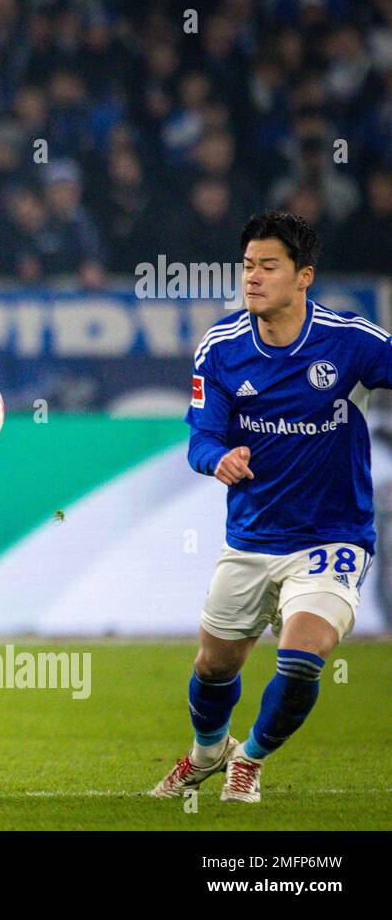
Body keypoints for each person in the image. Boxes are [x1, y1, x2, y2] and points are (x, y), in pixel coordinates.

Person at [152, 211, 388, 803]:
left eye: (268, 267)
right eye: (248, 266)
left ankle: (250, 759)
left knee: (303, 657)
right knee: (213, 667)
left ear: (303, 276)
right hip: (252, 537)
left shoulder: (351, 340)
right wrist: (218, 460)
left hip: (333, 536)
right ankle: (209, 752)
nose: (252, 278)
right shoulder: (223, 347)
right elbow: (201, 438)